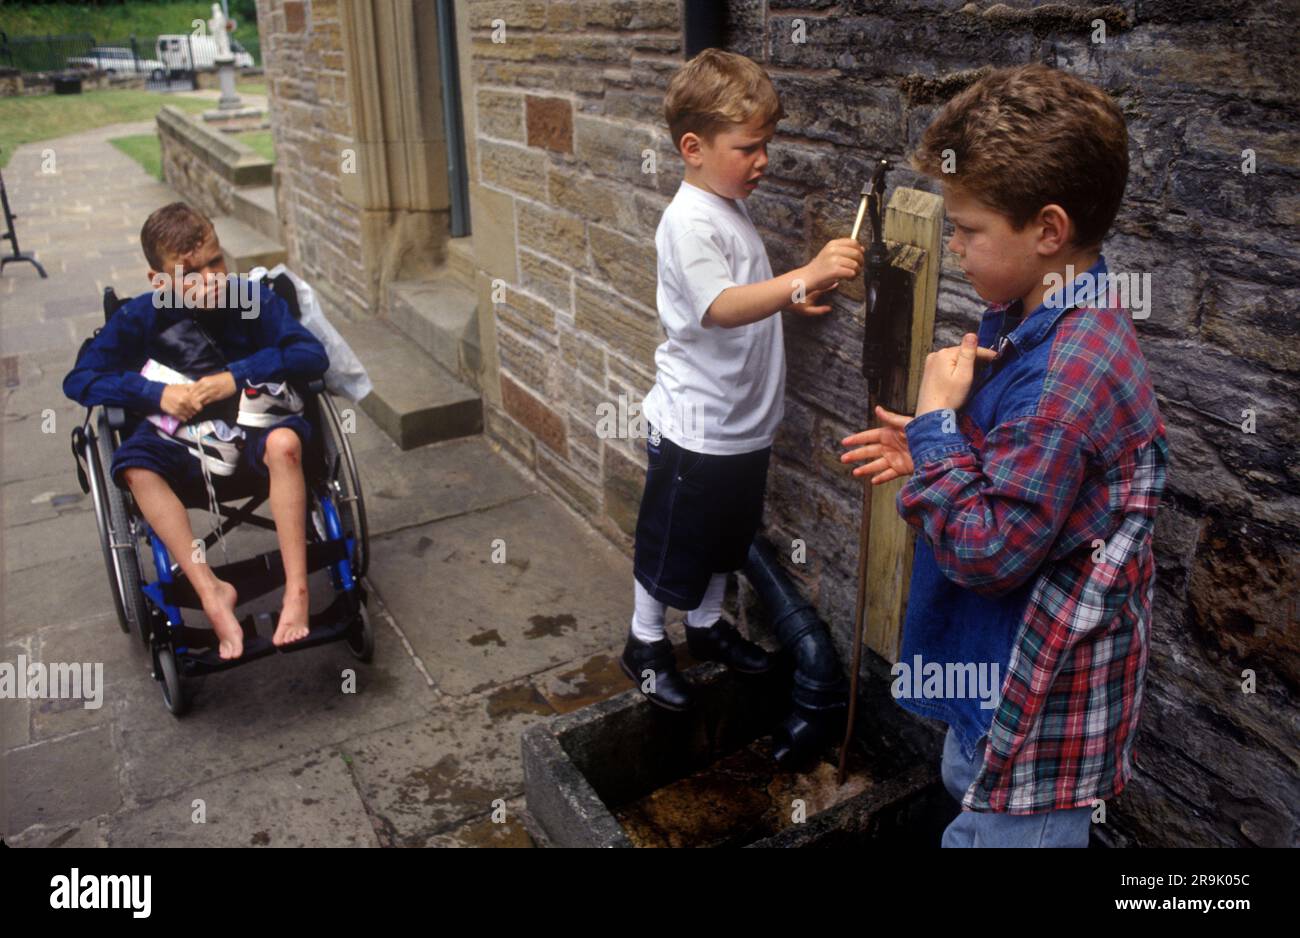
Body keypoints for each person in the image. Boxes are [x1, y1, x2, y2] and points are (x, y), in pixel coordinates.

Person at [842, 64, 1167, 847]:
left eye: (968, 229)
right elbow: (1025, 484)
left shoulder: (1062, 381)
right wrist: (935, 450)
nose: (952, 248)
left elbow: (990, 552)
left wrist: (936, 428)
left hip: (1039, 708)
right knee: (967, 784)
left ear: (1048, 230)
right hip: (996, 678)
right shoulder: (1032, 312)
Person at [623, 49, 864, 710]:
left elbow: (741, 292)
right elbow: (719, 307)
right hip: (695, 426)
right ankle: (645, 643)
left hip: (742, 426)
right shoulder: (689, 222)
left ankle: (704, 628)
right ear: (693, 147)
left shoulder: (725, 203)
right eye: (749, 147)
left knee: (721, 540)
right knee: (672, 545)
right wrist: (804, 275)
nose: (763, 161)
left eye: (768, 146)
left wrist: (790, 299)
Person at [64, 202, 329, 660]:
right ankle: (210, 591)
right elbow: (79, 380)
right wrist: (152, 394)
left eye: (216, 262)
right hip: (178, 441)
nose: (210, 280)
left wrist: (238, 373)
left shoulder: (251, 298)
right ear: (158, 281)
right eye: (190, 273)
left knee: (286, 441)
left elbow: (311, 355)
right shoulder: (139, 318)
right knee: (134, 467)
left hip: (254, 430)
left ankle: (297, 591)